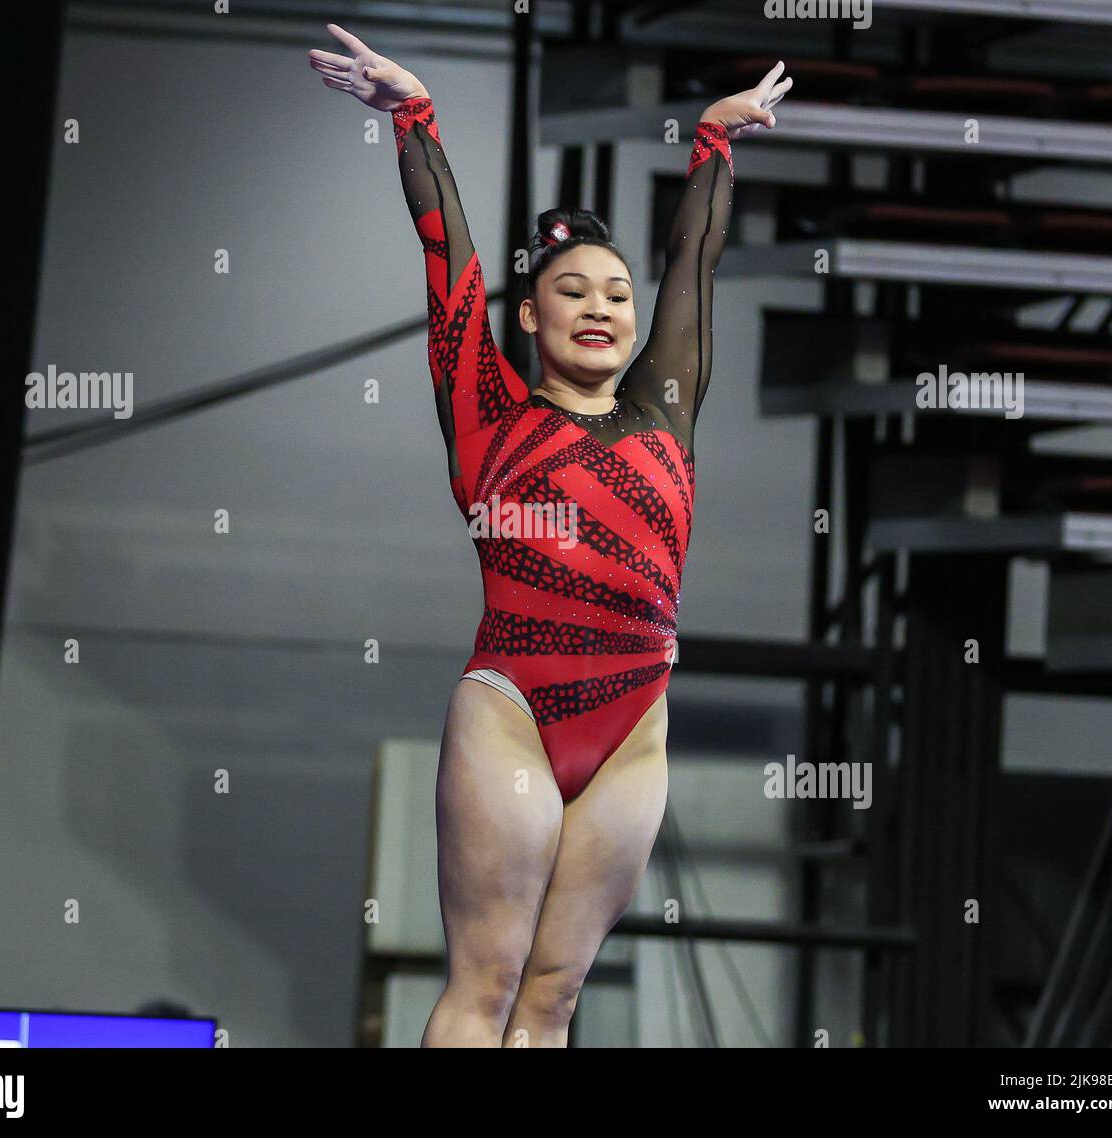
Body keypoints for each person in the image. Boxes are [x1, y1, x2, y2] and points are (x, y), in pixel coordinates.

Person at [310, 22, 791, 1048]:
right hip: (512, 713)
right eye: (572, 291)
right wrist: (413, 119)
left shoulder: (665, 406)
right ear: (527, 315)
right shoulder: (487, 412)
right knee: (485, 980)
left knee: (553, 998)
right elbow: (450, 264)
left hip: (632, 733)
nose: (603, 308)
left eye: (616, 294)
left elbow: (692, 265)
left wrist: (712, 144)